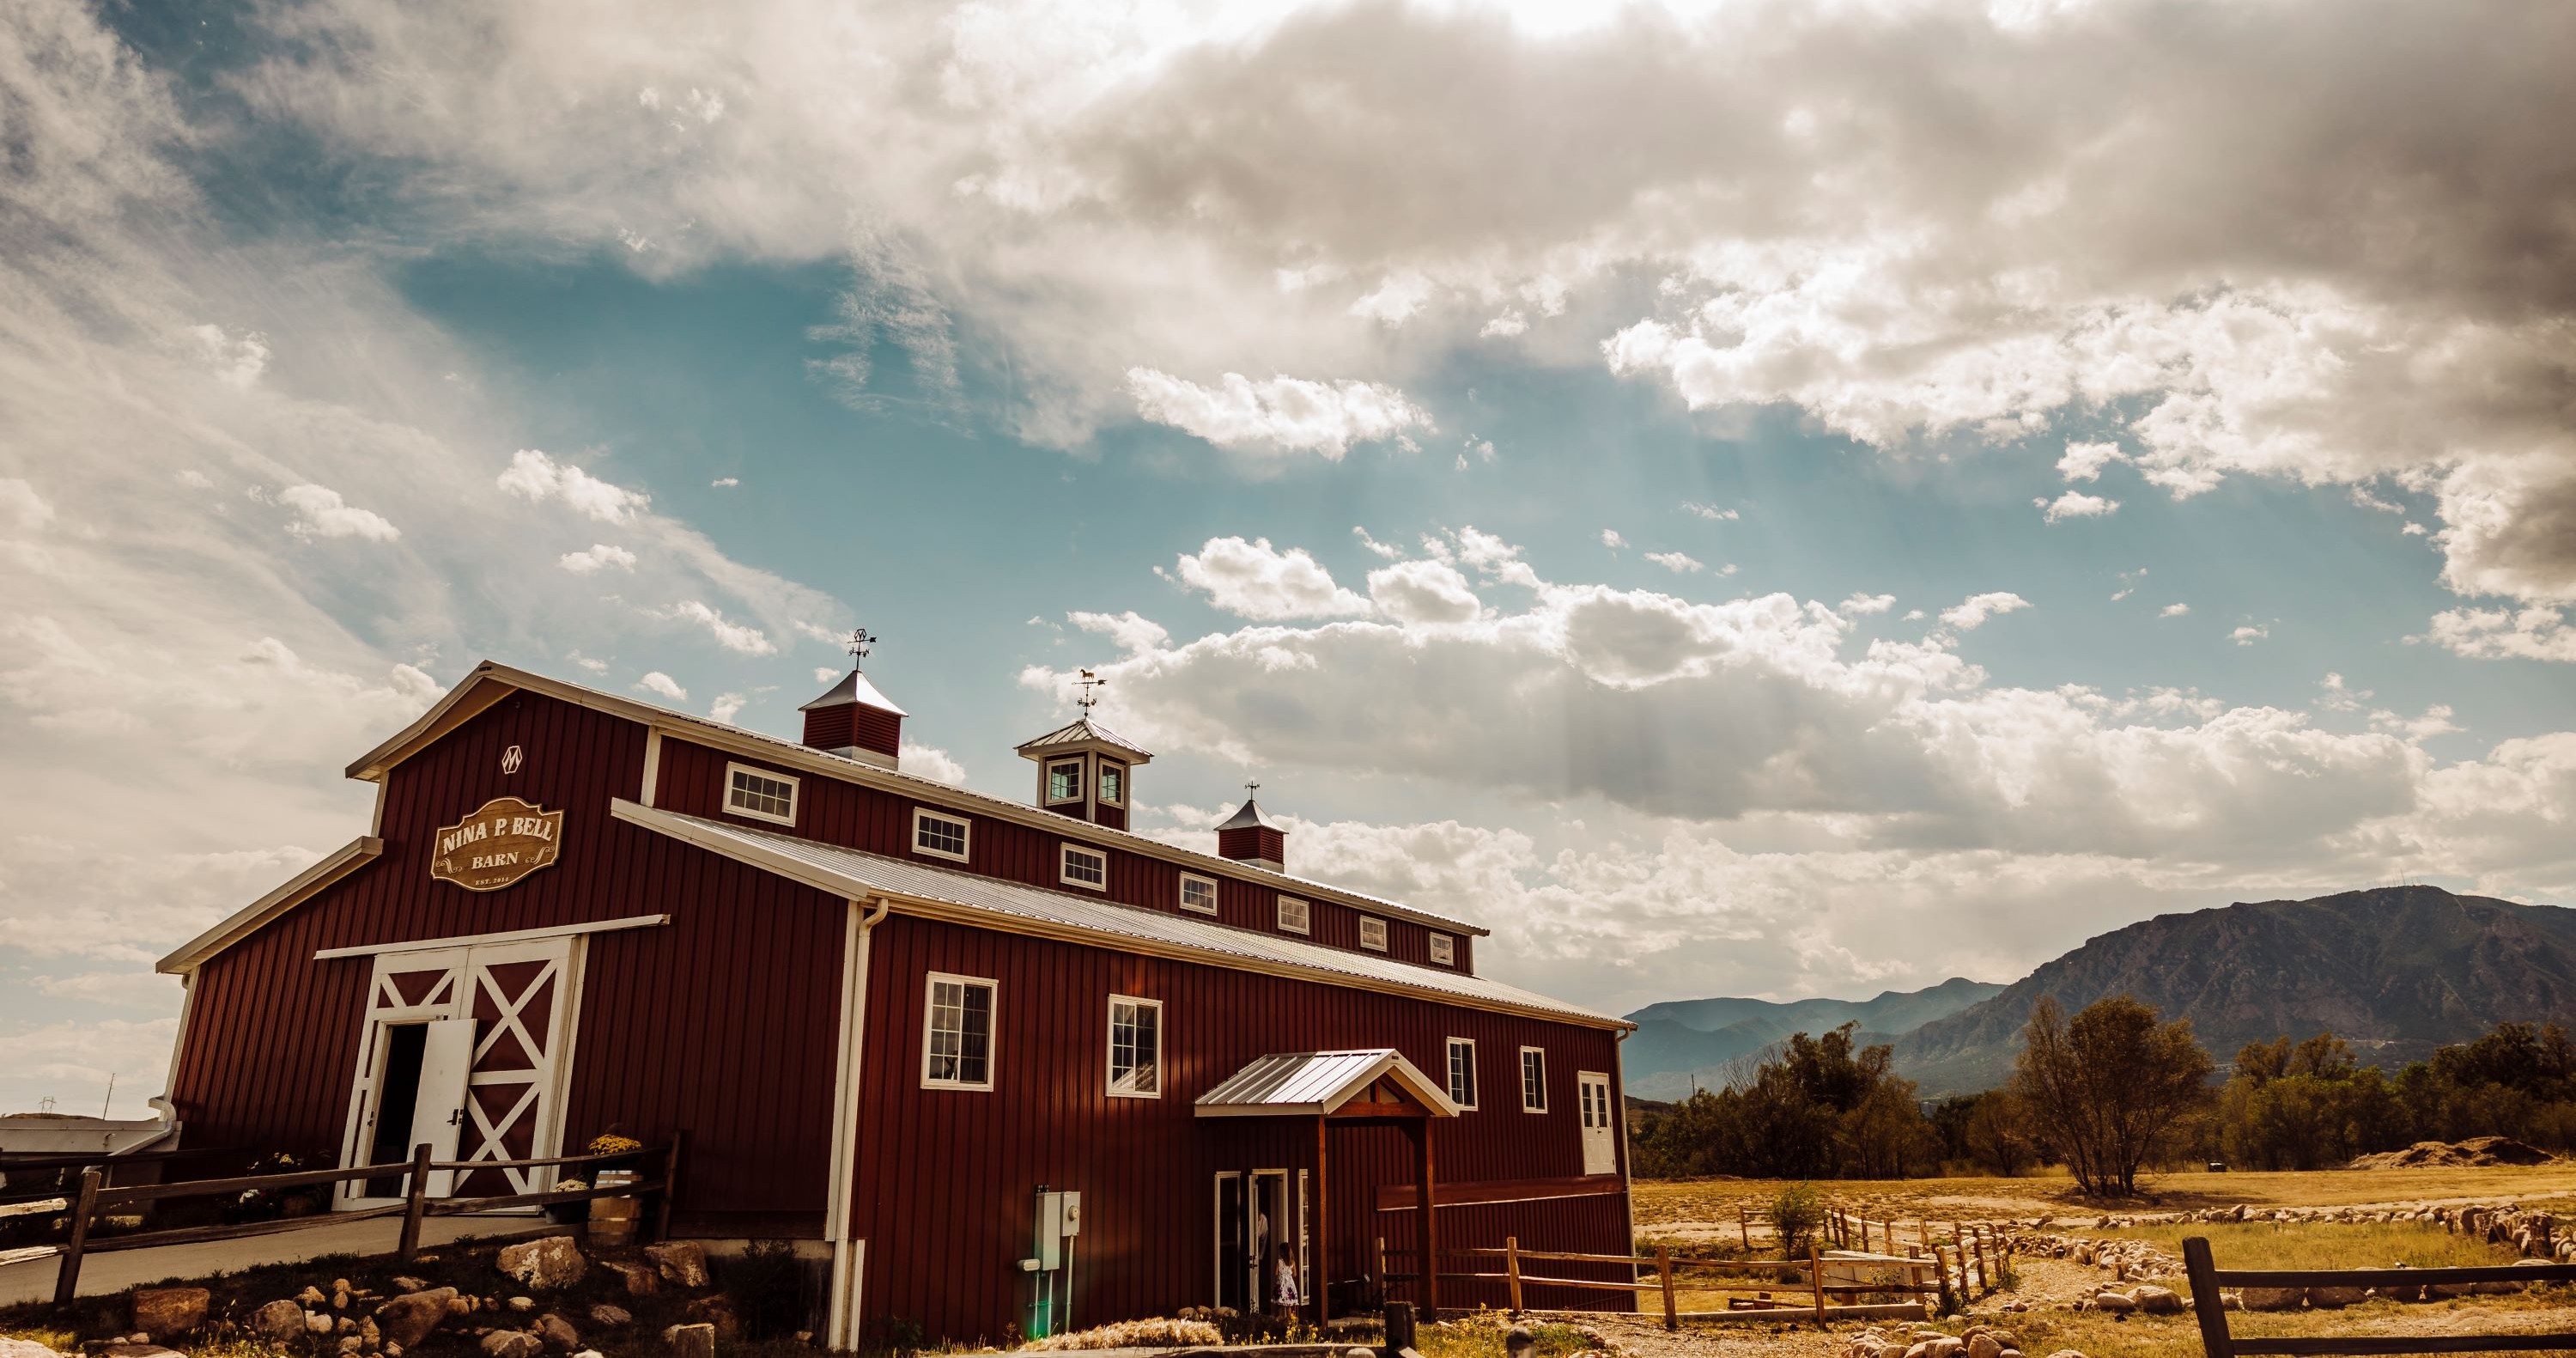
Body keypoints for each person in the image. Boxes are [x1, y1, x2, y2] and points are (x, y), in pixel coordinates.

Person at [1271, 1242, 1303, 1320]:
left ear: (1282, 1252)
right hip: (1289, 1285)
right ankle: (1290, 1322)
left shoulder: (1279, 1262)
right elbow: (1295, 1274)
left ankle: (1280, 1321)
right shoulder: (1292, 1262)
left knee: (1280, 1305)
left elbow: (1276, 1273)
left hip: (1281, 1285)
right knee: (1289, 1306)